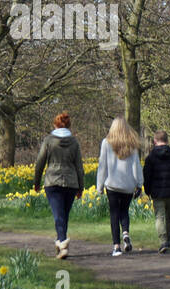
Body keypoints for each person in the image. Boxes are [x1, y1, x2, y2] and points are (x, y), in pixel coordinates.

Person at [33, 111, 85, 259]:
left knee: (59, 215)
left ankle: (62, 243)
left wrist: (36, 182)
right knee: (63, 215)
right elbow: (79, 167)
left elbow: (40, 163)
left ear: (55, 124)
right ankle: (60, 242)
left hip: (52, 182)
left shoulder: (49, 140)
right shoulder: (74, 142)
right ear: (69, 125)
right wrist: (81, 187)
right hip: (71, 182)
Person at [96, 117, 143, 256]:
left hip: (112, 185)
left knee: (114, 214)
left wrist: (99, 185)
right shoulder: (132, 144)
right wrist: (139, 184)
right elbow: (136, 166)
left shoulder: (106, 143)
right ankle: (126, 234)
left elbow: (102, 165)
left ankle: (116, 247)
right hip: (128, 185)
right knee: (124, 211)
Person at [142, 130, 170, 253]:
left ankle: (163, 241)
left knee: (159, 217)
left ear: (155, 141)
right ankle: (168, 241)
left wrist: (148, 190)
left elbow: (147, 175)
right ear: (167, 141)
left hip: (157, 193)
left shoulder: (150, 158)